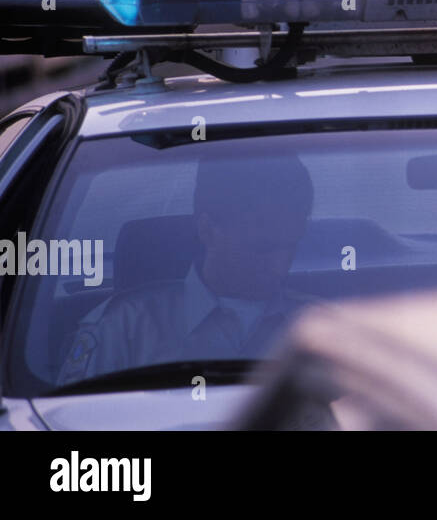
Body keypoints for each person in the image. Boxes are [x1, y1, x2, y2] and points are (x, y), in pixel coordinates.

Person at [59, 152, 314, 384]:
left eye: (291, 247)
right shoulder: (124, 329)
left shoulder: (326, 330)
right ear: (208, 230)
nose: (280, 267)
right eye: (263, 248)